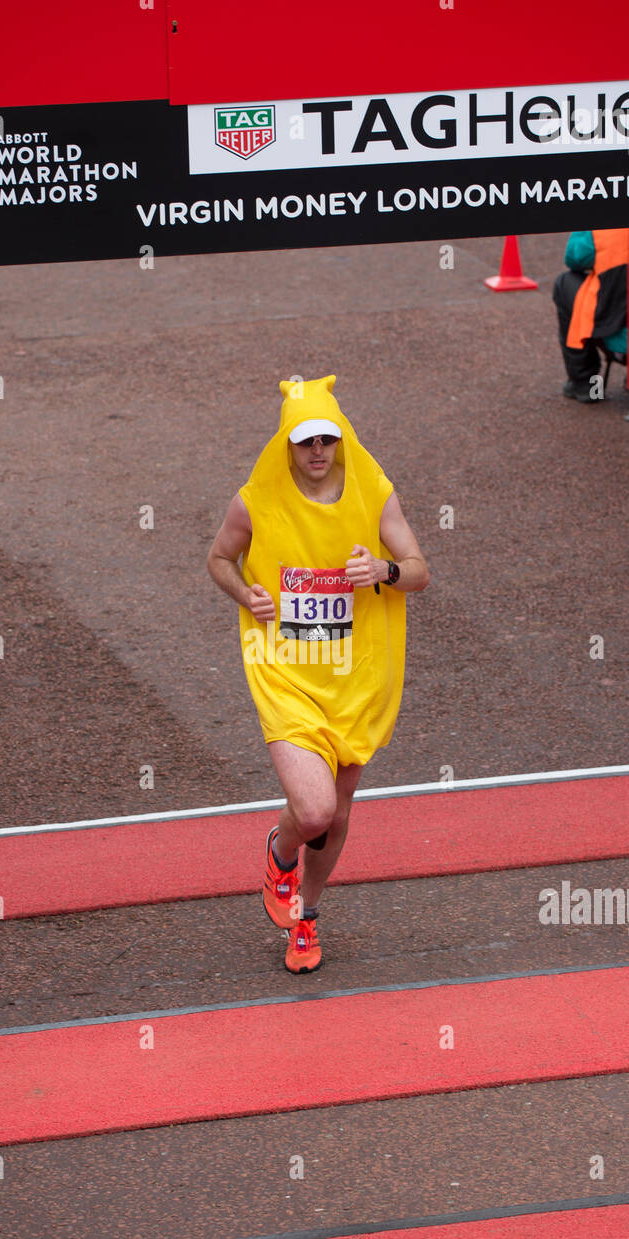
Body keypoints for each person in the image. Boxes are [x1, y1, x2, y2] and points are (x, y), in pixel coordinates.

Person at [207, 374, 429, 973]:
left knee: (341, 806)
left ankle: (306, 916)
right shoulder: (255, 500)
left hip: (357, 677)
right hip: (286, 674)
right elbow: (218, 558)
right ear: (286, 442)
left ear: (340, 438)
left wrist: (382, 569)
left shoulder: (373, 491)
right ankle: (280, 854)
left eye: (326, 439)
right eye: (305, 441)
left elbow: (418, 570)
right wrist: (243, 595)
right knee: (313, 811)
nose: (317, 452)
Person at [552, 229, 628, 402]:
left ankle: (586, 384)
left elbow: (574, 258)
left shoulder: (603, 223)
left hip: (615, 333)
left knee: (564, 283)